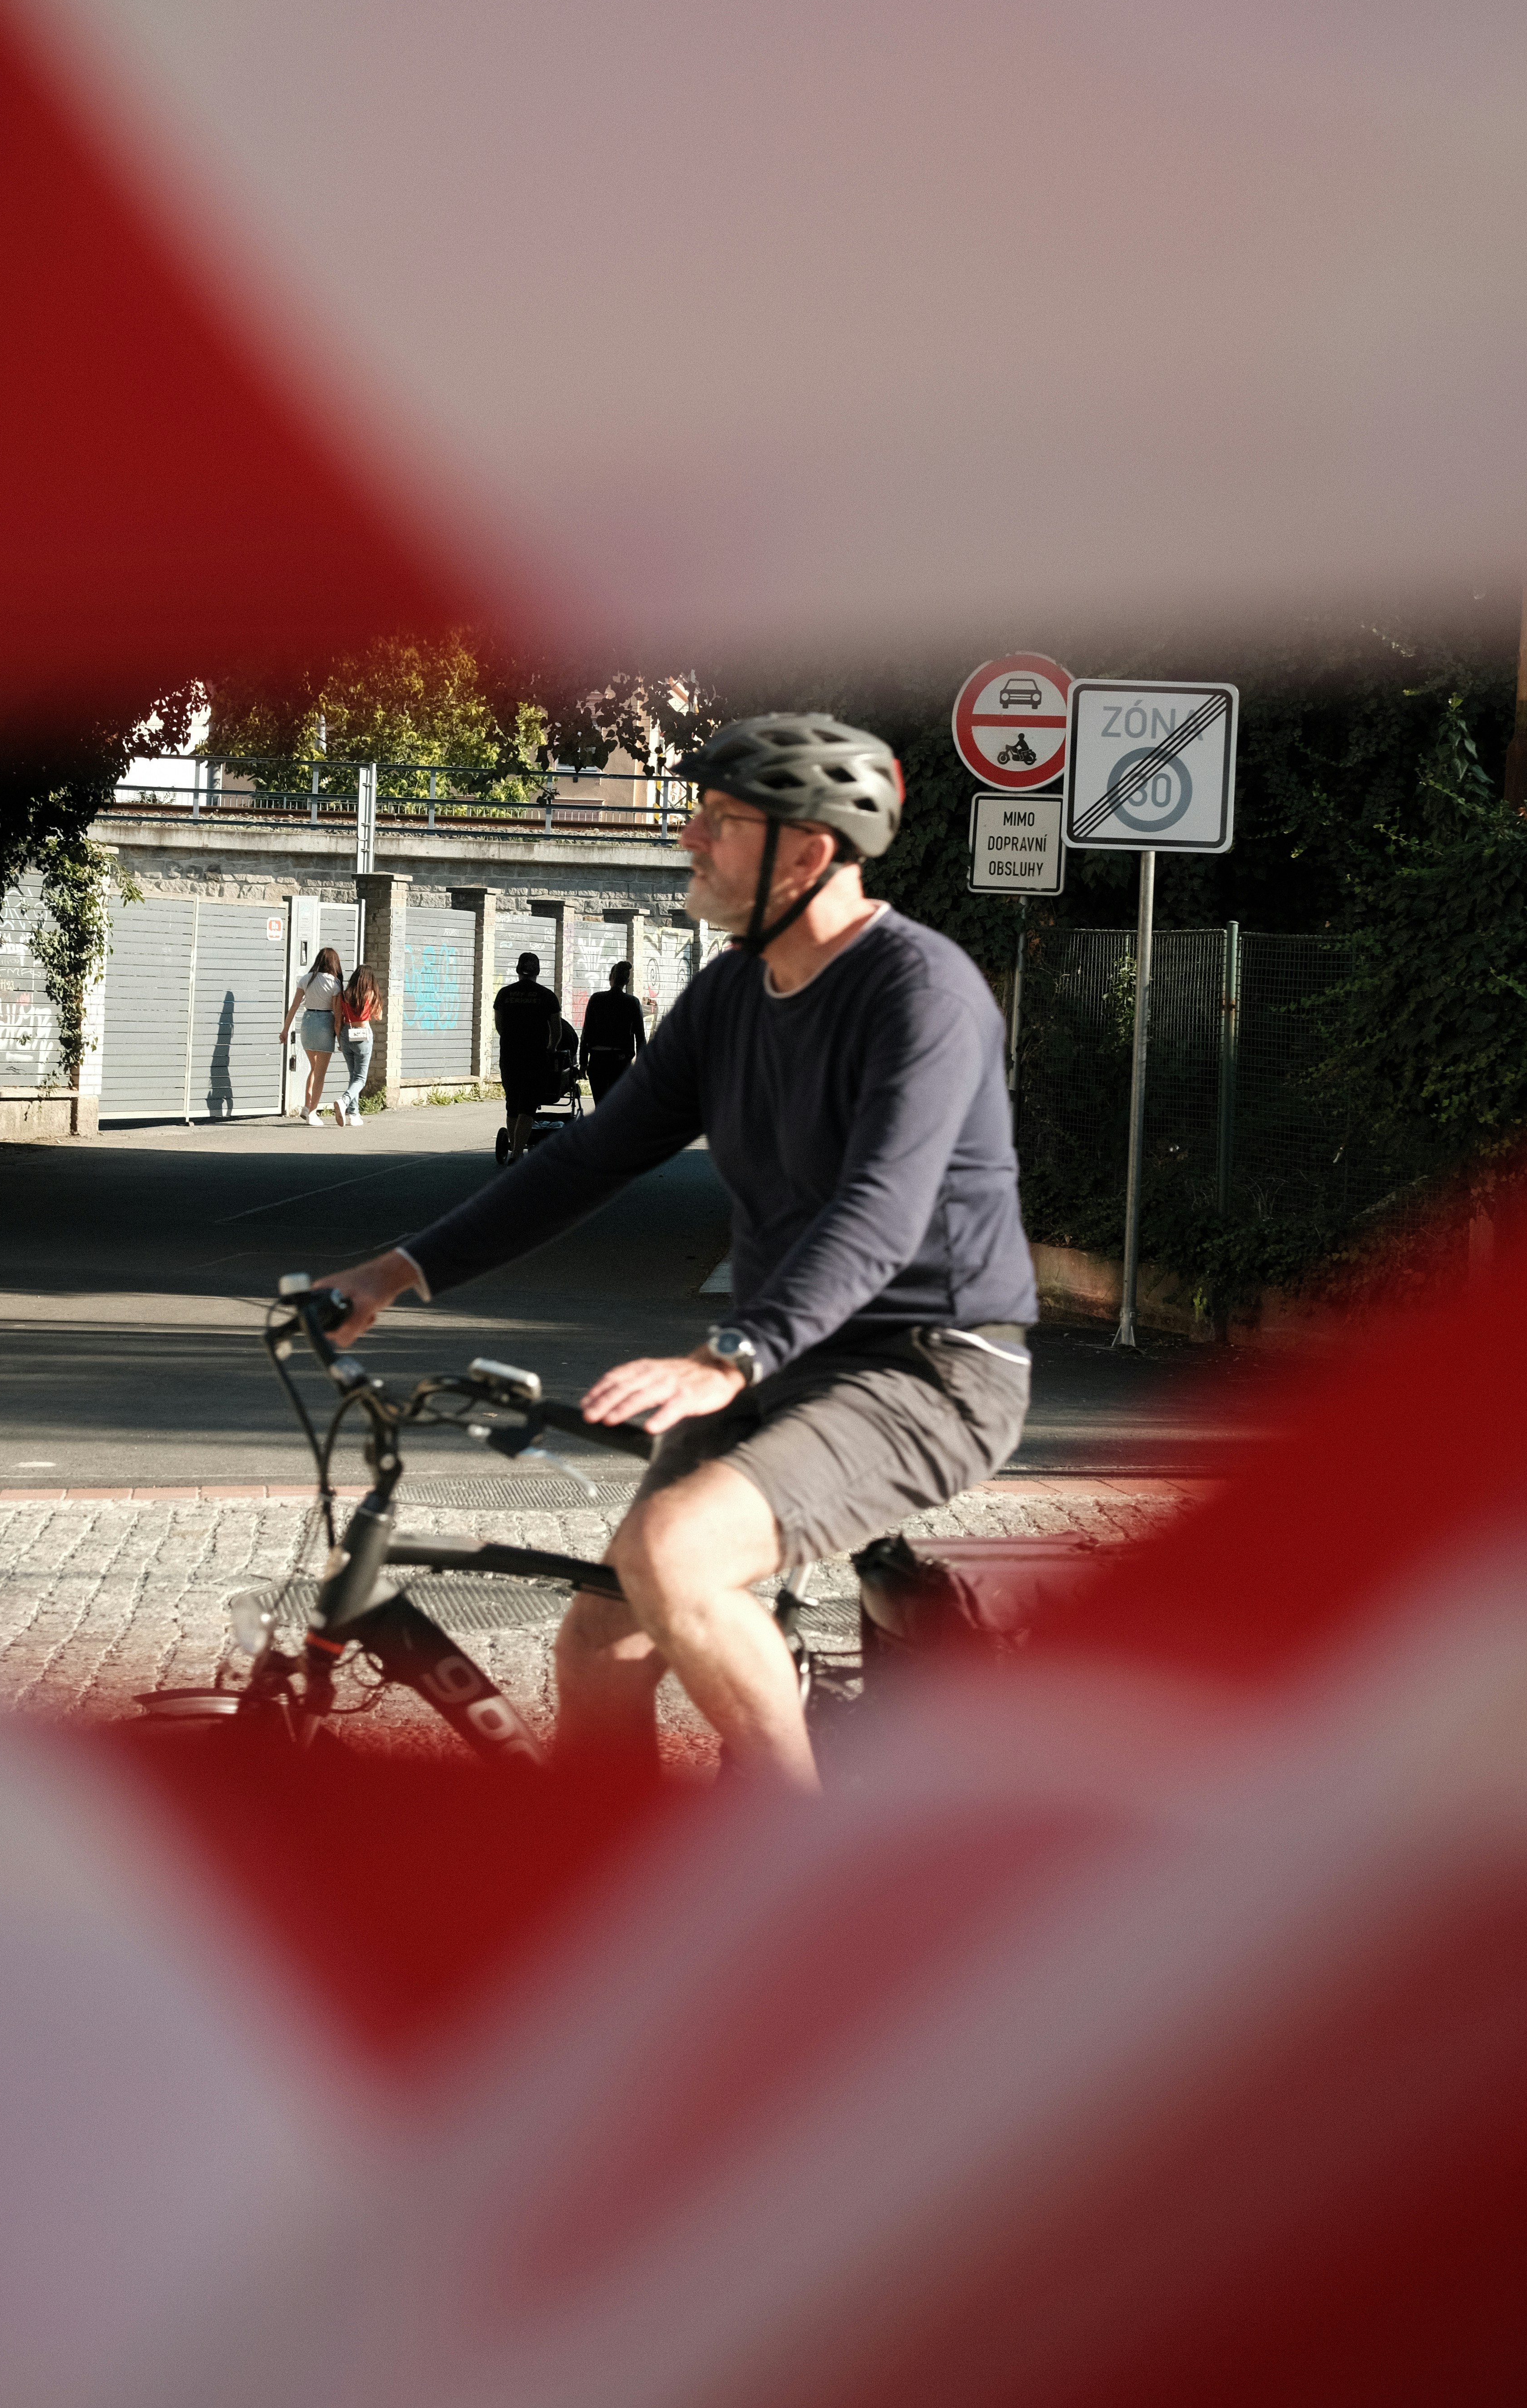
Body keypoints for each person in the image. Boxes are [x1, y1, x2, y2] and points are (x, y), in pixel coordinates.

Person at [312, 713, 1036, 1790]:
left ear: (805, 853)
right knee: (599, 1646)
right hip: (785, 1354)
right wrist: (400, 1268)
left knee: (671, 1557)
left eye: (719, 820)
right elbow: (592, 1156)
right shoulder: (734, 992)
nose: (689, 837)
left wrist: (730, 1354)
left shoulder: (917, 993)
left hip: (927, 1367)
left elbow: (880, 1211)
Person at [492, 947, 562, 1162]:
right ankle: (517, 1152)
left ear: (518, 970)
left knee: (513, 1102)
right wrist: (550, 1049)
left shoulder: (504, 994)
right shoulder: (547, 996)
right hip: (535, 1057)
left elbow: (499, 1026)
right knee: (528, 1105)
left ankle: (516, 1148)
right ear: (538, 972)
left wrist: (513, 1041)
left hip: (510, 1056)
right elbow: (557, 1031)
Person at [282, 944, 345, 1126]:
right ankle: (313, 1112)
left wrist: (285, 1030)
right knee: (321, 1073)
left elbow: (294, 1006)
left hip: (308, 1022)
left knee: (314, 1067)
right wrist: (340, 1039)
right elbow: (337, 1015)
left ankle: (307, 1106)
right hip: (325, 1023)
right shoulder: (335, 983)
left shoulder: (307, 979)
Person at [580, 959, 647, 1107]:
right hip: (621, 1062)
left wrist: (583, 1063)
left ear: (611, 978)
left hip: (598, 1061)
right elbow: (640, 1037)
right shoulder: (632, 1002)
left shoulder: (596, 999)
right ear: (627, 981)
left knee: (601, 1106)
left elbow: (586, 1034)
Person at [334, 964, 382, 1127]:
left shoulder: (345, 994)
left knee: (353, 1076)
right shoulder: (371, 994)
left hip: (346, 1033)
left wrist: (340, 1042)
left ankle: (354, 1115)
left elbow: (338, 1021)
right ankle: (344, 1101)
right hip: (363, 1033)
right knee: (361, 1079)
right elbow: (379, 1016)